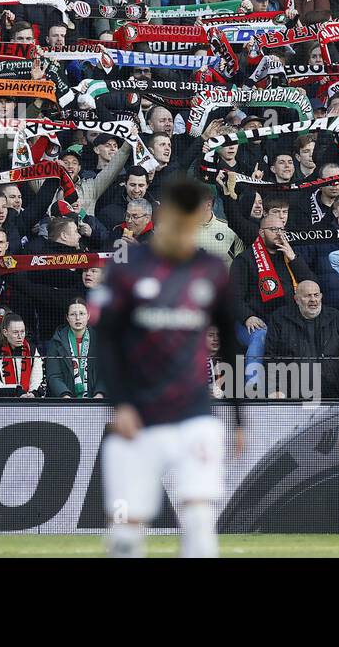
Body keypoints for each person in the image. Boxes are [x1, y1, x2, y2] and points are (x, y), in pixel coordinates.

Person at [91, 176, 242, 558]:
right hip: (137, 416)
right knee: (126, 532)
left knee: (199, 526)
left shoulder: (210, 269)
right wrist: (120, 404)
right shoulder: (128, 267)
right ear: (164, 217)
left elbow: (228, 342)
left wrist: (239, 418)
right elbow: (106, 340)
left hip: (194, 415)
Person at [45, 297, 102, 398]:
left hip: (96, 401)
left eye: (82, 314)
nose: (77, 318)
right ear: (67, 318)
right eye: (72, 314)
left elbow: (106, 373)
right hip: (66, 402)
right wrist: (65, 396)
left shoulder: (100, 340)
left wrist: (99, 394)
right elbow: (53, 376)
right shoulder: (56, 342)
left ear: (88, 315)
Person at [0, 311, 44, 397]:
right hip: (1, 406)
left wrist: (33, 394)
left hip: (30, 403)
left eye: (22, 332)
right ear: (5, 332)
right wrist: (18, 392)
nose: (20, 336)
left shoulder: (32, 350)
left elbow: (38, 379)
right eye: (15, 332)